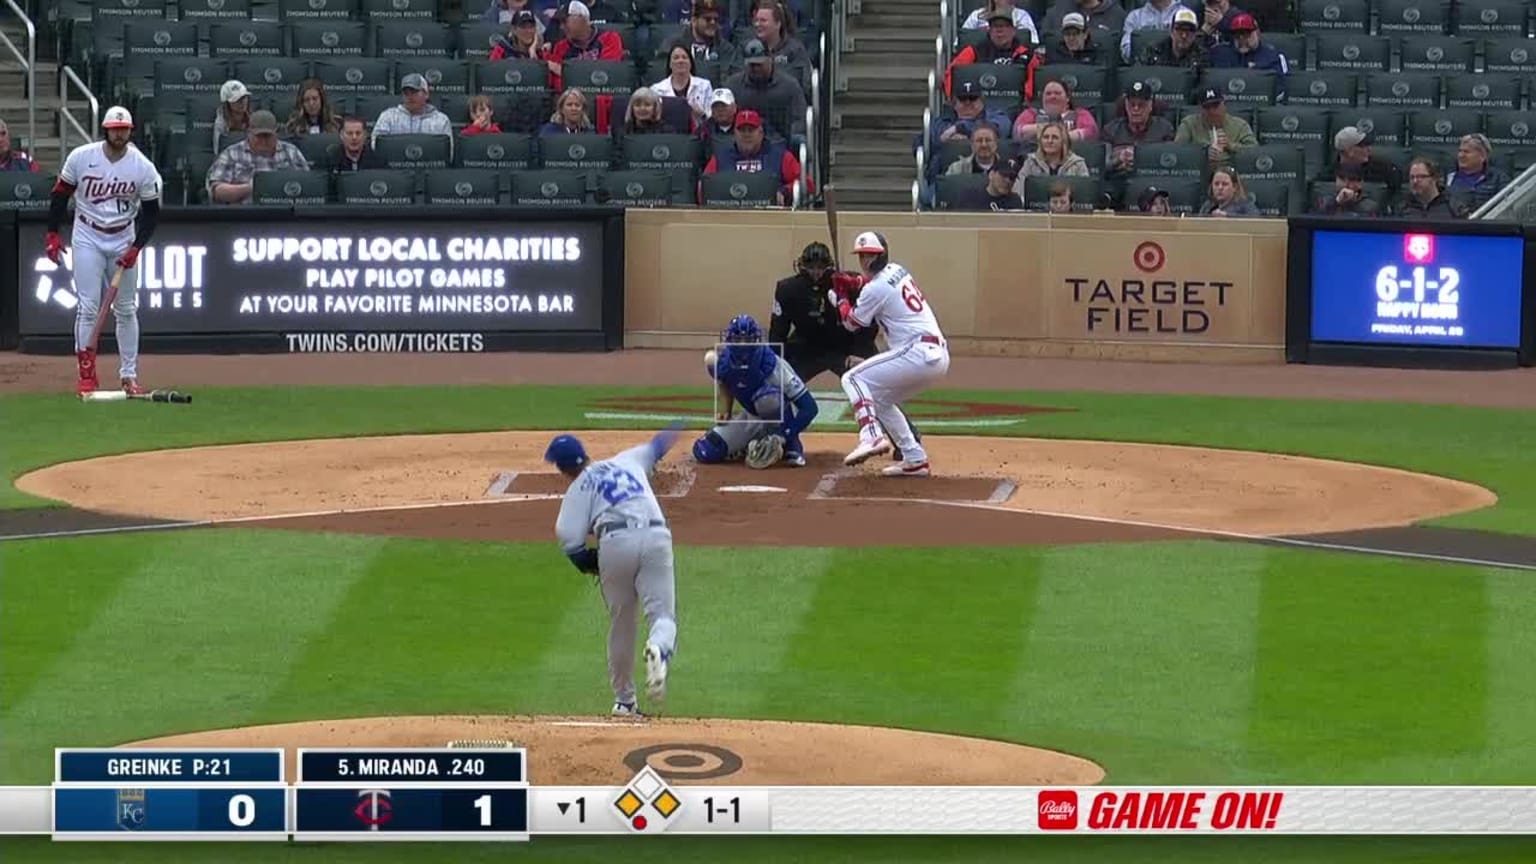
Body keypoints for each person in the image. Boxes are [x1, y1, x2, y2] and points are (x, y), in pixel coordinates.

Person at [547, 426, 684, 717]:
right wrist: (678, 426)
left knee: (622, 622)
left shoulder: (577, 489)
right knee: (662, 616)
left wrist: (598, 564)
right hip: (657, 536)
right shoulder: (627, 460)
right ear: (584, 454)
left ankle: (624, 701)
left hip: (614, 542)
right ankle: (659, 648)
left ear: (560, 467)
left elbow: (572, 545)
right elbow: (658, 444)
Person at [44, 107, 163, 397]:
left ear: (130, 131)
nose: (119, 133)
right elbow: (60, 194)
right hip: (88, 234)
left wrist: (136, 248)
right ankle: (87, 373)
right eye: (114, 128)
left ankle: (129, 375)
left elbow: (151, 214)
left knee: (126, 308)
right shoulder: (82, 157)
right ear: (105, 129)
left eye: (124, 129)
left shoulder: (142, 167)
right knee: (87, 306)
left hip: (123, 234)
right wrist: (52, 234)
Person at [769, 243, 925, 462]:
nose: (816, 273)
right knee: (777, 386)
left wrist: (862, 351)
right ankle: (774, 438)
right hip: (807, 347)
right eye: (811, 267)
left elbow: (869, 322)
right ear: (802, 266)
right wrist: (775, 366)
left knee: (876, 387)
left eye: (821, 267)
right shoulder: (787, 290)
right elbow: (777, 333)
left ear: (829, 267)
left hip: (846, 345)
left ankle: (908, 441)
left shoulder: (849, 283)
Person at [828, 232, 950, 477]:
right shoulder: (897, 269)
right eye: (862, 256)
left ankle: (870, 435)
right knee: (880, 400)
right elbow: (872, 285)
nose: (865, 261)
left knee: (852, 378)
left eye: (869, 256)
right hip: (933, 355)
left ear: (879, 256)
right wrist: (853, 283)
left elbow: (852, 323)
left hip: (917, 352)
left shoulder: (875, 289)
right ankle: (914, 458)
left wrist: (840, 298)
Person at [692, 314, 819, 468]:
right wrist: (725, 409)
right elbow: (725, 382)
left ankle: (791, 445)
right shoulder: (722, 362)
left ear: (756, 340)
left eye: (748, 340)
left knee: (767, 400)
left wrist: (785, 435)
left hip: (781, 414)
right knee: (705, 450)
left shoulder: (774, 365)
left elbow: (810, 408)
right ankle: (747, 444)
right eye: (738, 340)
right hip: (751, 416)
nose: (743, 345)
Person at [206, 110, 311, 204]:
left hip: (284, 215)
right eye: (259, 136)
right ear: (249, 133)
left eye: (268, 136)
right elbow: (216, 191)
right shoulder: (231, 154)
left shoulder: (291, 152)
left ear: (276, 133)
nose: (264, 141)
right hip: (244, 217)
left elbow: (310, 186)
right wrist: (254, 188)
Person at [651, 45, 714, 123]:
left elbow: (712, 117)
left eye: (684, 57)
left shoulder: (704, 86)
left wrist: (701, 113)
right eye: (676, 58)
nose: (680, 61)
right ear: (670, 64)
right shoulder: (656, 89)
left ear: (691, 63)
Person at [1395, 157, 1460, 219]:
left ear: (1434, 178)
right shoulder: (1403, 207)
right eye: (1412, 177)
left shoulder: (1453, 207)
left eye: (1421, 177)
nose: (1415, 181)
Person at [214, 79, 252, 152]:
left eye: (244, 98)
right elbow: (217, 151)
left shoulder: (255, 120)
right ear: (227, 104)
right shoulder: (220, 124)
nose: (242, 102)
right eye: (237, 100)